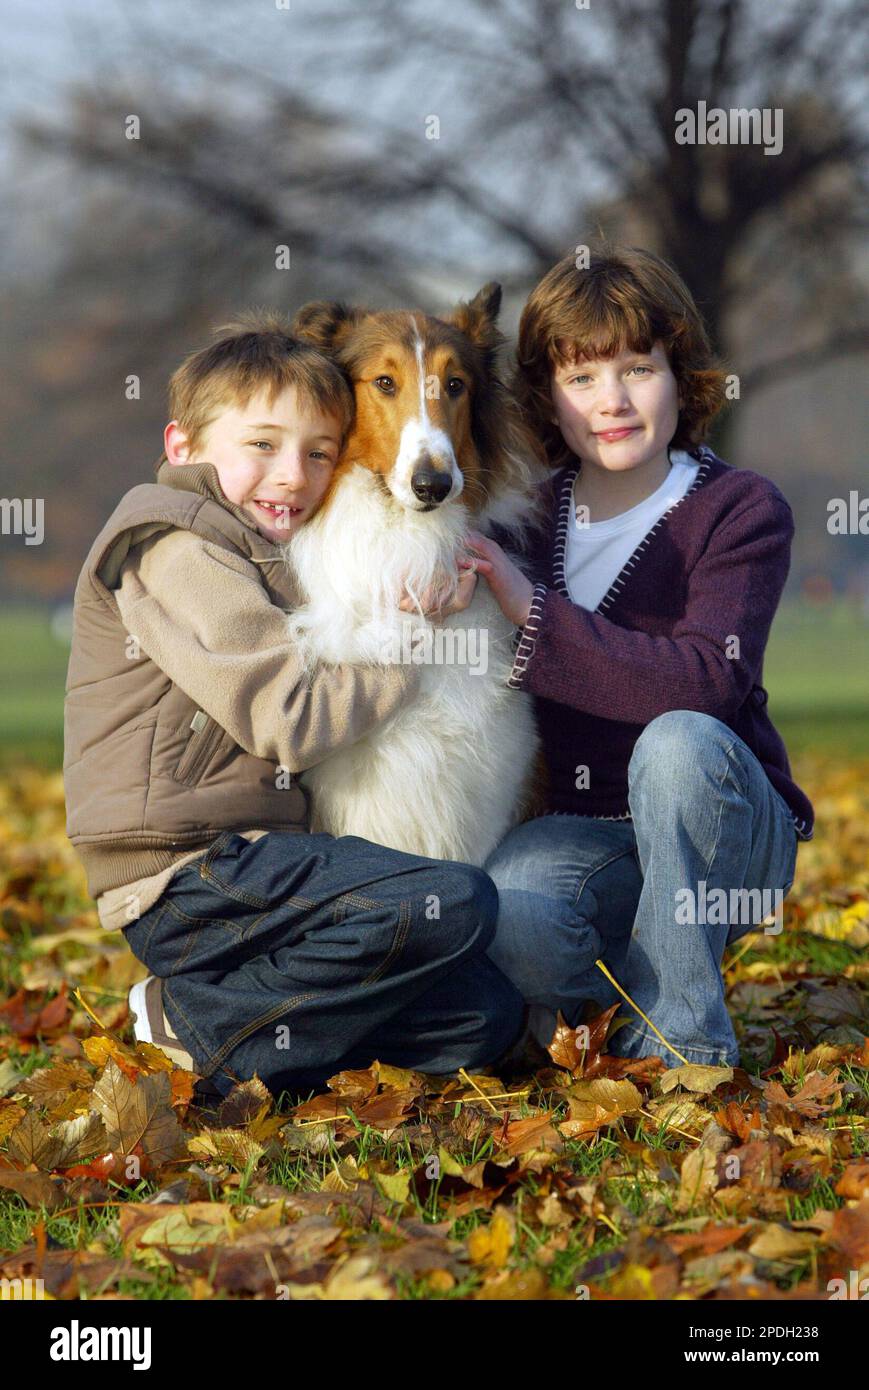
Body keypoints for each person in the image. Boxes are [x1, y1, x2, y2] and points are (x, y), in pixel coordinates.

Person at [62, 310, 523, 1098]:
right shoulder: (172, 548)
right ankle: (193, 1018)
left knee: (485, 1019)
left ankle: (267, 1041)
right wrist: (414, 638)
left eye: (316, 453)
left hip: (261, 862)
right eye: (262, 447)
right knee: (451, 899)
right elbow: (291, 723)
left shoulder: (257, 553)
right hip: (188, 873)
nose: (291, 476)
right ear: (182, 447)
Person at [468, 245, 814, 1067]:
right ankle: (625, 994)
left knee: (677, 740)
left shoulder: (737, 509)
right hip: (586, 840)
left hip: (729, 828)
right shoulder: (520, 523)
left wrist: (533, 614)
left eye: (637, 368)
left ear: (680, 375)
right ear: (545, 400)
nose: (611, 402)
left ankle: (680, 1038)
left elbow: (705, 679)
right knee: (511, 908)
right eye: (580, 378)